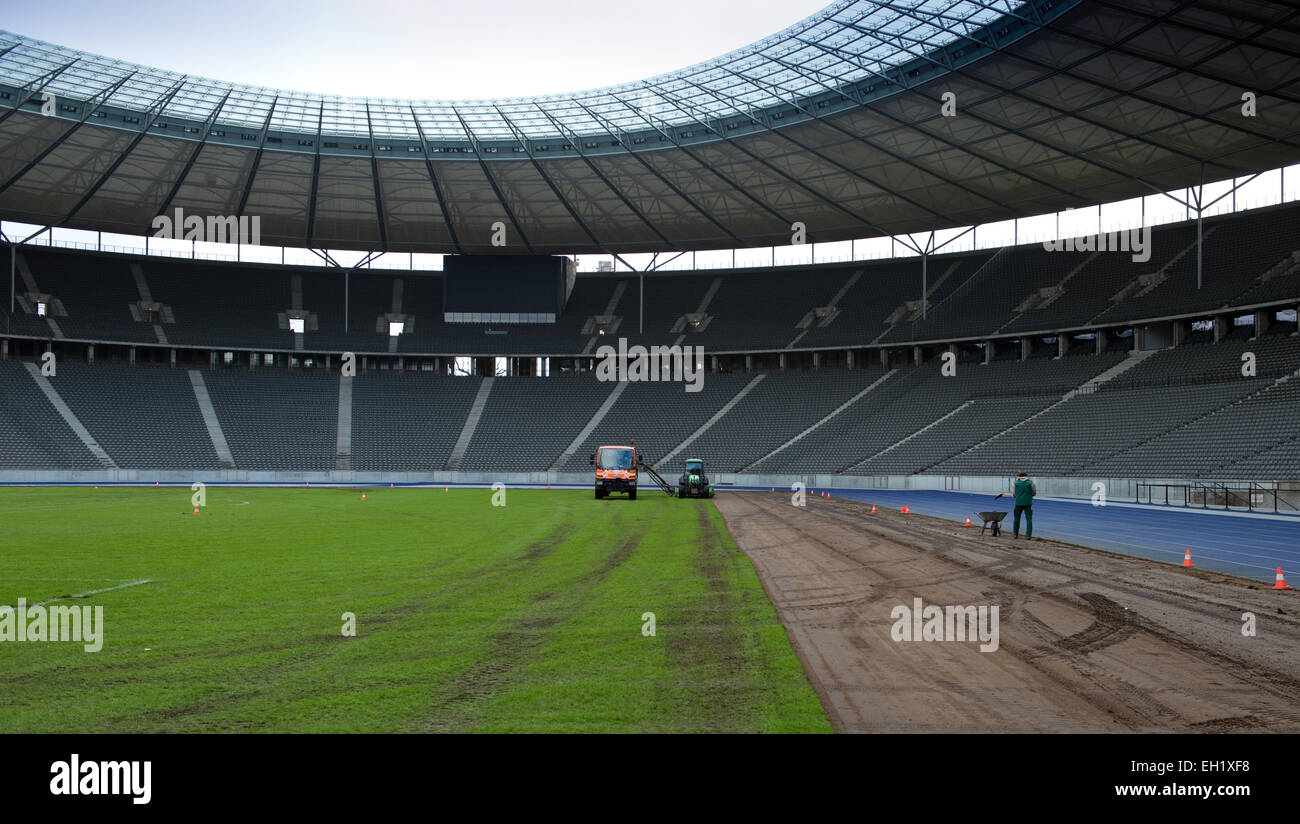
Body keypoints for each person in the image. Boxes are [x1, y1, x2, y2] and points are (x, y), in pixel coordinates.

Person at [1013, 471, 1035, 539]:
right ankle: (1028, 535)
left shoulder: (1015, 483)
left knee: (1016, 518)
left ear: (1019, 476)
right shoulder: (1031, 483)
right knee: (1029, 519)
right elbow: (1034, 493)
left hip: (1018, 503)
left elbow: (1014, 494)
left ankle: (1015, 534)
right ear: (1026, 476)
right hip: (1028, 503)